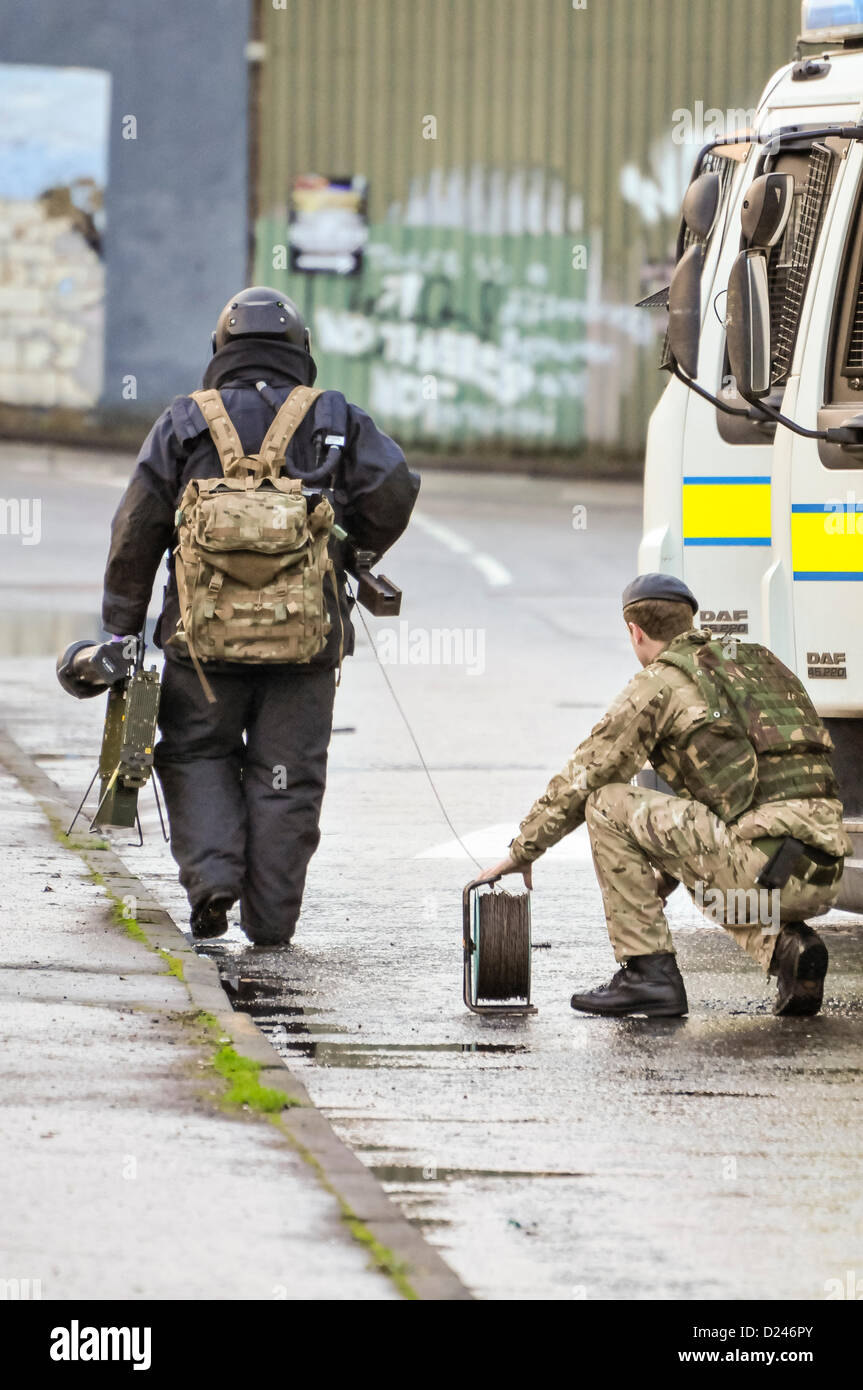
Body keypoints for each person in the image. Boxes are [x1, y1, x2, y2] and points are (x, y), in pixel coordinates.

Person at [101, 286, 418, 945]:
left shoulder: (185, 420)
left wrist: (121, 629)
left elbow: (137, 527)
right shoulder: (333, 415)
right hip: (305, 648)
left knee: (196, 754)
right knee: (287, 777)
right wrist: (350, 547)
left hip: (199, 647)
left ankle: (214, 880)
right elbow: (395, 485)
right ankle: (272, 923)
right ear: (301, 351)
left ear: (220, 350)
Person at [477, 573, 851, 1018]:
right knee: (715, 859)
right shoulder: (755, 661)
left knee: (606, 803)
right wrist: (669, 873)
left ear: (635, 632)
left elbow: (588, 775)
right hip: (824, 870)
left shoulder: (661, 682)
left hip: (762, 868)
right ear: (691, 620)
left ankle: (647, 973)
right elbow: (735, 790)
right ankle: (789, 949)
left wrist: (524, 850)